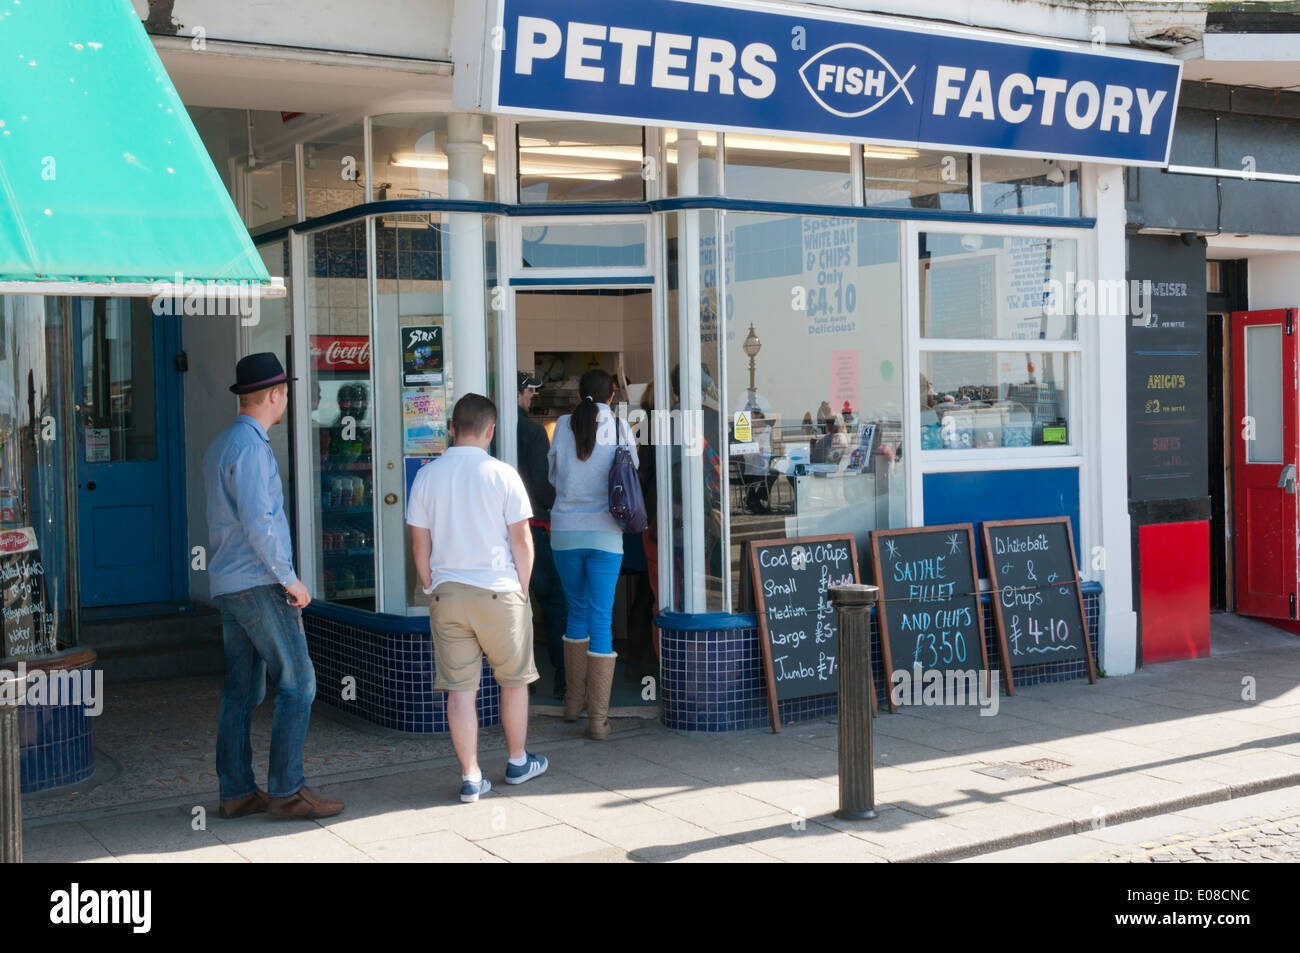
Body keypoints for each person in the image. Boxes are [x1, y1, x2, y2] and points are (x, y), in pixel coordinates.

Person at [203, 352, 343, 821]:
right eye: (286, 392)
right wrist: (291, 579)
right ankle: (286, 790)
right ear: (276, 395)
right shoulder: (251, 448)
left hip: (228, 583)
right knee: (299, 682)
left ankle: (238, 791)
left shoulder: (222, 444)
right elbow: (260, 522)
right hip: (260, 582)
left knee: (242, 690)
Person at [407, 393, 547, 802]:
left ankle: (470, 777)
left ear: (451, 428)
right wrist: (522, 588)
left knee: (460, 691)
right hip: (499, 591)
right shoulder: (503, 475)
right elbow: (522, 541)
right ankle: (518, 761)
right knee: (514, 682)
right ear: (490, 430)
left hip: (448, 594)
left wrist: (431, 585)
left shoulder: (428, 476)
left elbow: (420, 546)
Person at [549, 369, 635, 739]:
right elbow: (631, 472)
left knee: (576, 611)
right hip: (605, 534)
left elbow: (553, 476)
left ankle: (572, 704)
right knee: (601, 620)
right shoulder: (618, 427)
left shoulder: (562, 426)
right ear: (611, 396)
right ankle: (598, 721)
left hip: (565, 532)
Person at [515, 371, 569, 700]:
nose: (532, 396)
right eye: (529, 391)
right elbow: (541, 484)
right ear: (518, 392)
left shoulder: (489, 429)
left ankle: (522, 677)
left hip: (502, 530)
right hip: (535, 528)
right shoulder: (533, 432)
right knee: (554, 603)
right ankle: (564, 680)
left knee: (515, 605)